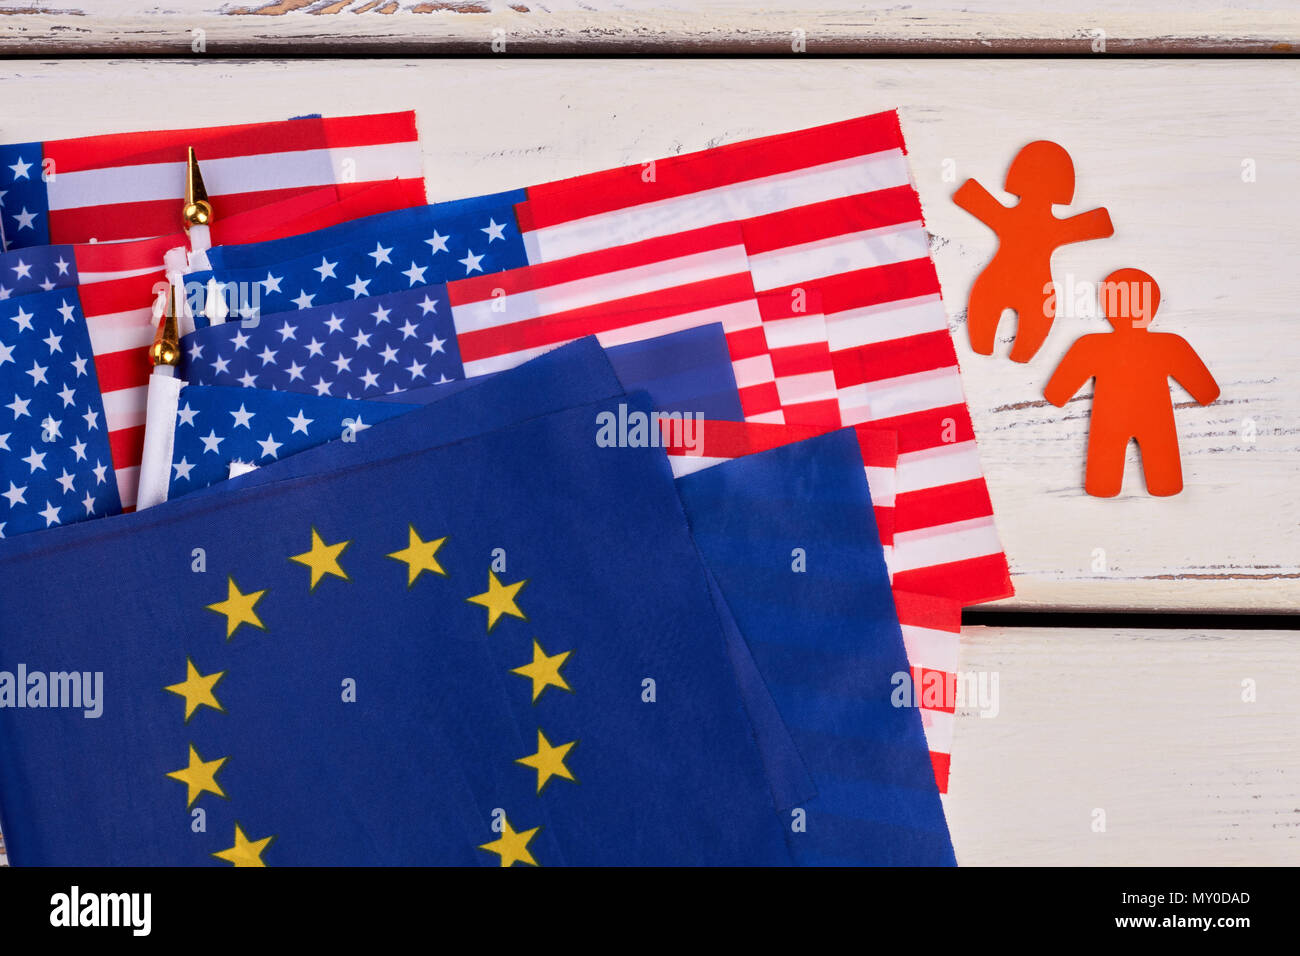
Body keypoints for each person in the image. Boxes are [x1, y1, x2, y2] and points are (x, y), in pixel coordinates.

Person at [1043, 269, 1219, 497]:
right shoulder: (1170, 345)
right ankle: (1157, 484)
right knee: (1163, 478)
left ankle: (1110, 486)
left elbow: (1056, 393)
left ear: (1107, 306)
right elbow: (1207, 392)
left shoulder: (1091, 345)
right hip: (1154, 419)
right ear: (1153, 307)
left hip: (1111, 419)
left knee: (1104, 480)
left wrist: (1059, 395)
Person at [954, 141, 1113, 363]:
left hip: (1011, 284)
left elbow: (967, 194)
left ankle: (1012, 351)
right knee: (1007, 332)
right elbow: (1101, 224)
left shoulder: (1009, 218)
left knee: (1016, 333)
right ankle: (1010, 351)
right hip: (1028, 288)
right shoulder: (1052, 228)